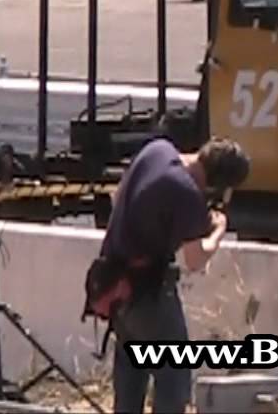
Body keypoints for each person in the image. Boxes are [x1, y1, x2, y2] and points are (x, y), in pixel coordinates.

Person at [102, 137, 250, 414]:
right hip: (149, 295)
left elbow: (119, 195)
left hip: (114, 286)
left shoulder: (157, 149)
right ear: (218, 183)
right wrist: (218, 230)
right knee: (174, 380)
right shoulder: (186, 195)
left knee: (131, 382)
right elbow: (195, 260)